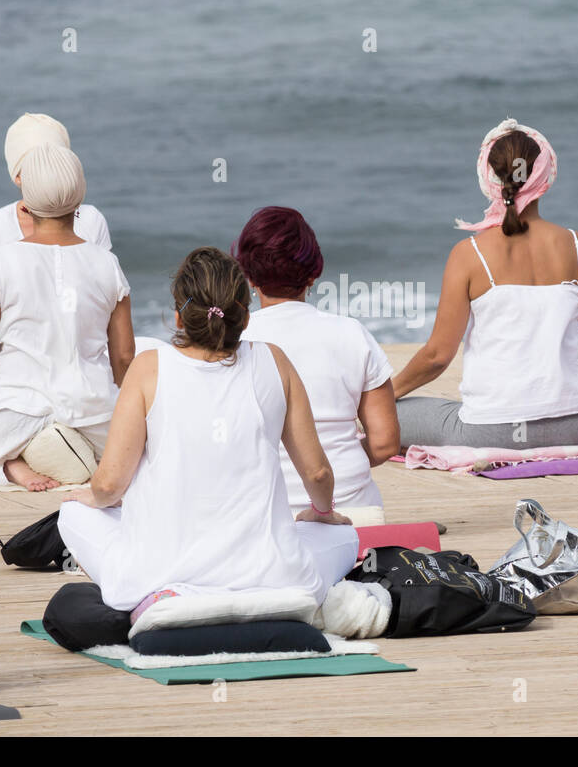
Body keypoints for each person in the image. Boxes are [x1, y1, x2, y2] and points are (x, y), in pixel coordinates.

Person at [58, 247, 359, 613]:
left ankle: (170, 597)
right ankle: (246, 595)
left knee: (72, 513)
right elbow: (317, 472)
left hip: (157, 573)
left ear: (179, 318)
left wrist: (94, 497)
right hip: (273, 576)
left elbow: (109, 485)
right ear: (245, 318)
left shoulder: (148, 368)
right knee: (344, 535)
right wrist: (322, 512)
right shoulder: (274, 360)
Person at [394, 118, 578, 448]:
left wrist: (386, 395)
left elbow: (437, 356)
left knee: (389, 412)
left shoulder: (468, 255)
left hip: (487, 434)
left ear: (488, 179)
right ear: (546, 176)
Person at [0, 144, 134, 490]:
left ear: (26, 201)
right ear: (79, 200)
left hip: (13, 411)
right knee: (132, 458)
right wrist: (121, 405)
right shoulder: (106, 264)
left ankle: (10, 462)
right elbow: (123, 356)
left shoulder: (1, 261)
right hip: (90, 410)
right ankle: (62, 451)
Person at [0, 112, 114, 398]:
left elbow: (103, 312)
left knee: (152, 349)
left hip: (77, 354)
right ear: (17, 175)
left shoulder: (92, 220)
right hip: (22, 355)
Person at [233, 206, 399, 512]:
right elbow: (384, 443)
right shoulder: (352, 334)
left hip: (263, 514)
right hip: (353, 511)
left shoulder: (233, 341)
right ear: (313, 273)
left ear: (249, 276)